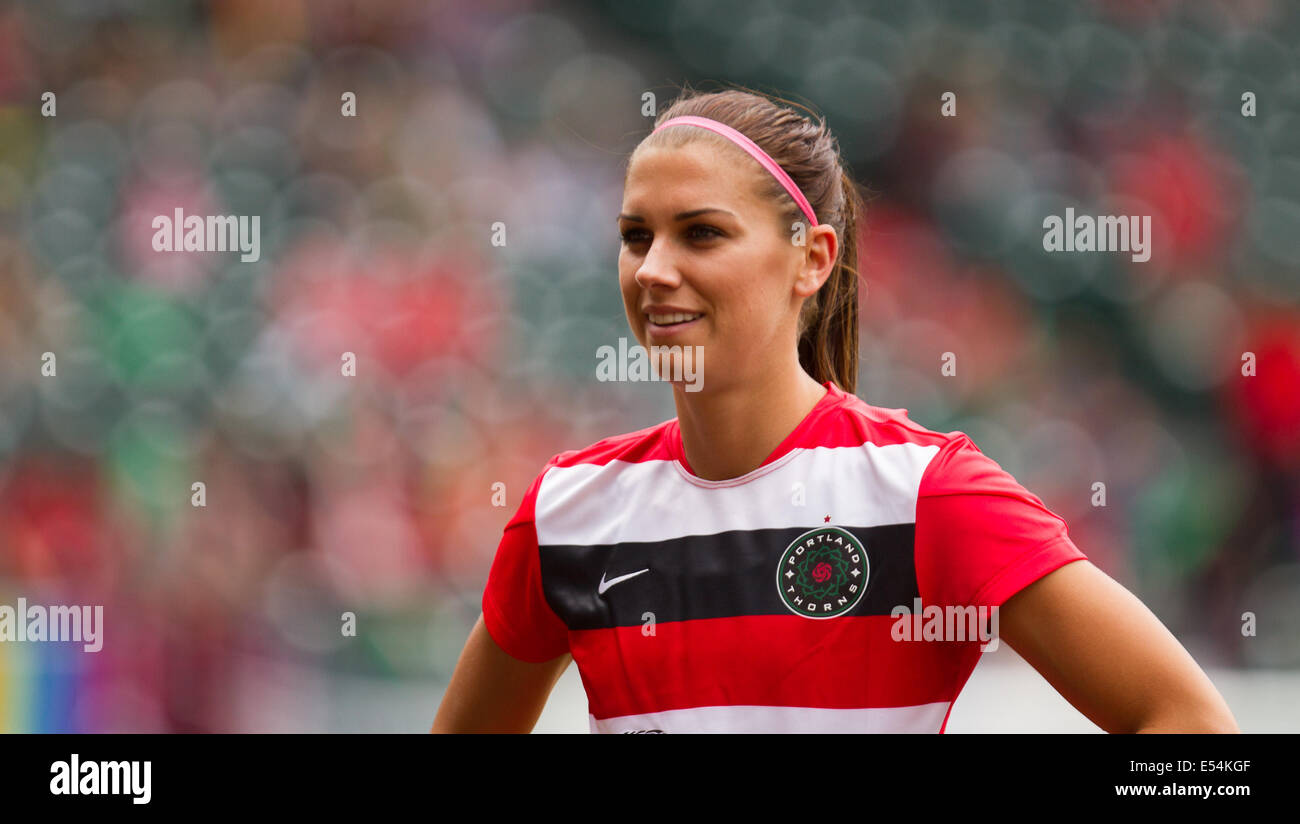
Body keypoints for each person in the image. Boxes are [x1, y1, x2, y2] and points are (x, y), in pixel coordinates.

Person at [432, 86, 1239, 734]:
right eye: (636, 236)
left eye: (702, 234)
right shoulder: (567, 513)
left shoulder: (924, 493)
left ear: (812, 259)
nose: (653, 269)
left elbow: (1192, 727)